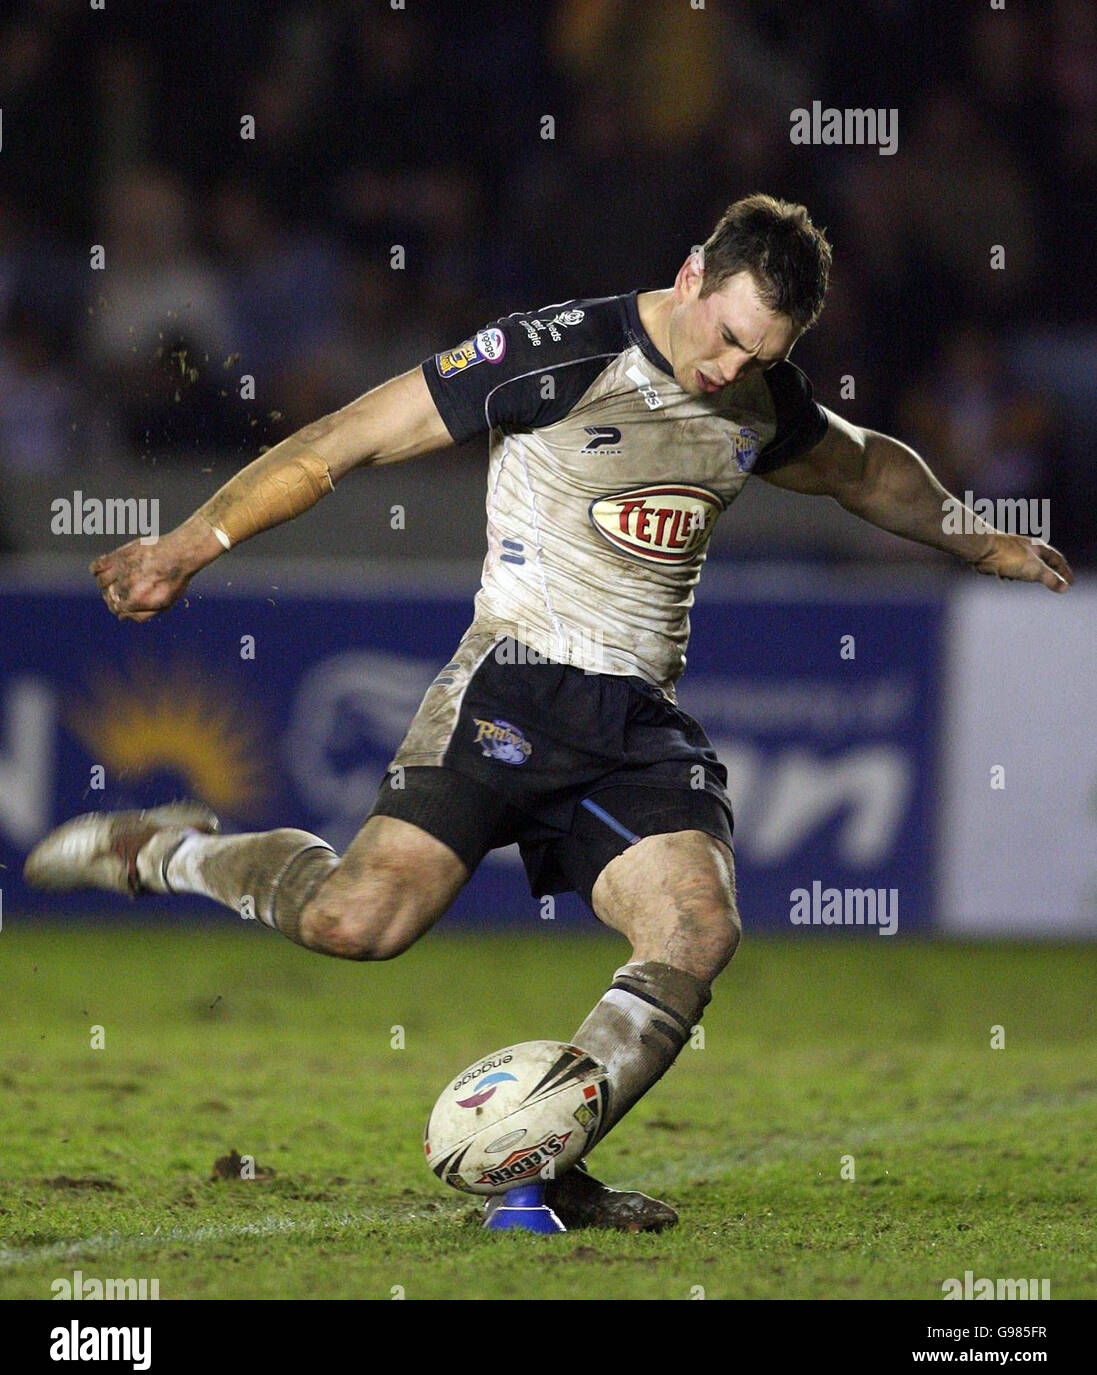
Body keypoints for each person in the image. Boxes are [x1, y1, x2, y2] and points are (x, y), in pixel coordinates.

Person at [25, 195, 1072, 1231]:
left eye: (760, 354)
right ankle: (172, 853)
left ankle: (548, 1163)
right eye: (723, 337)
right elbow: (344, 439)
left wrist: (987, 543)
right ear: (690, 275)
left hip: (635, 724)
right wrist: (187, 547)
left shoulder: (757, 403)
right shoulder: (552, 355)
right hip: (510, 686)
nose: (728, 367)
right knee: (356, 922)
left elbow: (866, 468)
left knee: (697, 929)